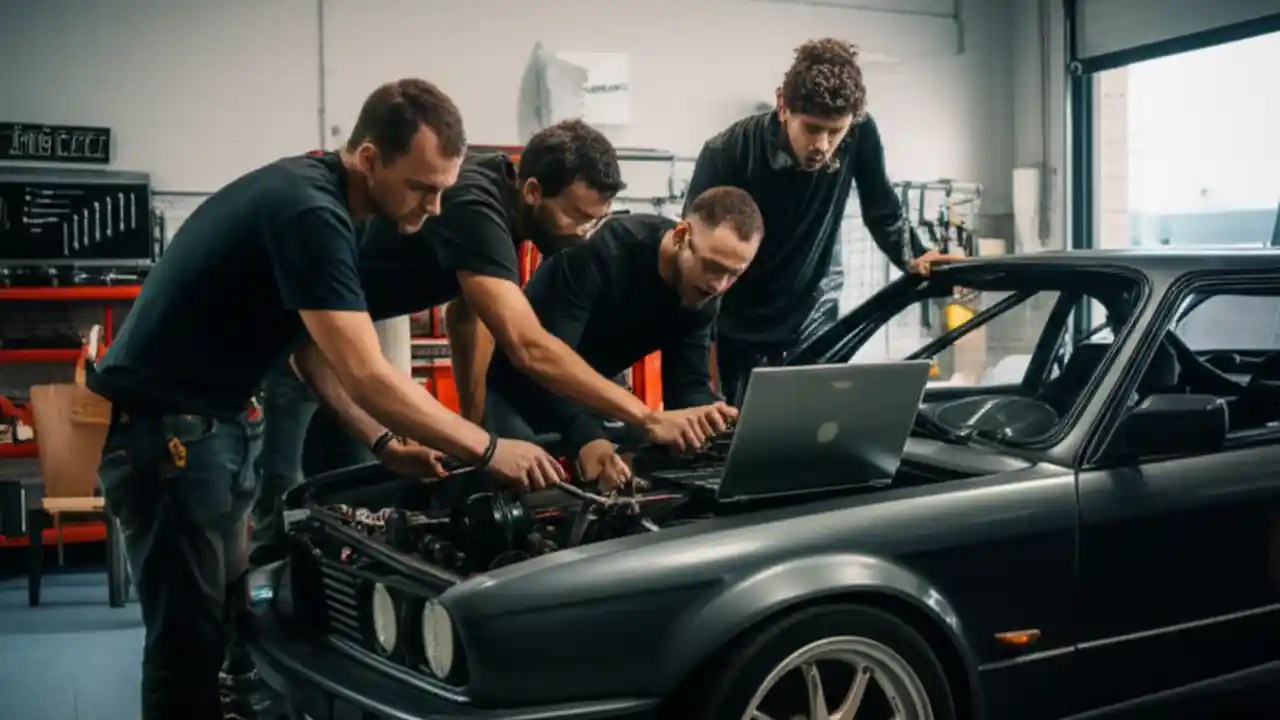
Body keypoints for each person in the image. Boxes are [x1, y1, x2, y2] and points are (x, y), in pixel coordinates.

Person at [87, 78, 565, 720]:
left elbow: (309, 351)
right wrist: (485, 448)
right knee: (187, 639)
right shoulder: (307, 209)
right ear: (369, 158)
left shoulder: (330, 206)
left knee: (232, 615)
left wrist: (383, 443)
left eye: (444, 190)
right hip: (169, 435)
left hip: (217, 423)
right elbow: (368, 374)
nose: (433, 206)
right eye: (421, 187)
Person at [342, 118, 738, 452]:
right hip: (316, 322)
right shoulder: (475, 208)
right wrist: (647, 417)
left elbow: (466, 316)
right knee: (333, 478)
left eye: (595, 221)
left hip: (353, 319)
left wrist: (477, 426)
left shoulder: (506, 197)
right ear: (532, 191)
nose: (584, 235)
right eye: (577, 216)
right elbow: (528, 348)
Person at [684, 38, 958, 405]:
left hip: (813, 306)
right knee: (740, 435)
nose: (824, 145)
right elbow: (694, 257)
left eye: (835, 132)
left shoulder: (860, 132)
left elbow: (882, 208)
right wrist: (698, 353)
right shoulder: (726, 152)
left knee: (813, 428)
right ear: (783, 105)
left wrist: (916, 257)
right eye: (812, 129)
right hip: (738, 317)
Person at [484, 186, 764, 489]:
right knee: (522, 484)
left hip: (597, 392)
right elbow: (546, 363)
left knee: (635, 474)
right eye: (712, 267)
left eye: (733, 275)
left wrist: (714, 421)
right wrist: (588, 437)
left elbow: (686, 384)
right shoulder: (603, 251)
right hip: (520, 384)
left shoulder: (703, 290)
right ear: (682, 235)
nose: (718, 285)